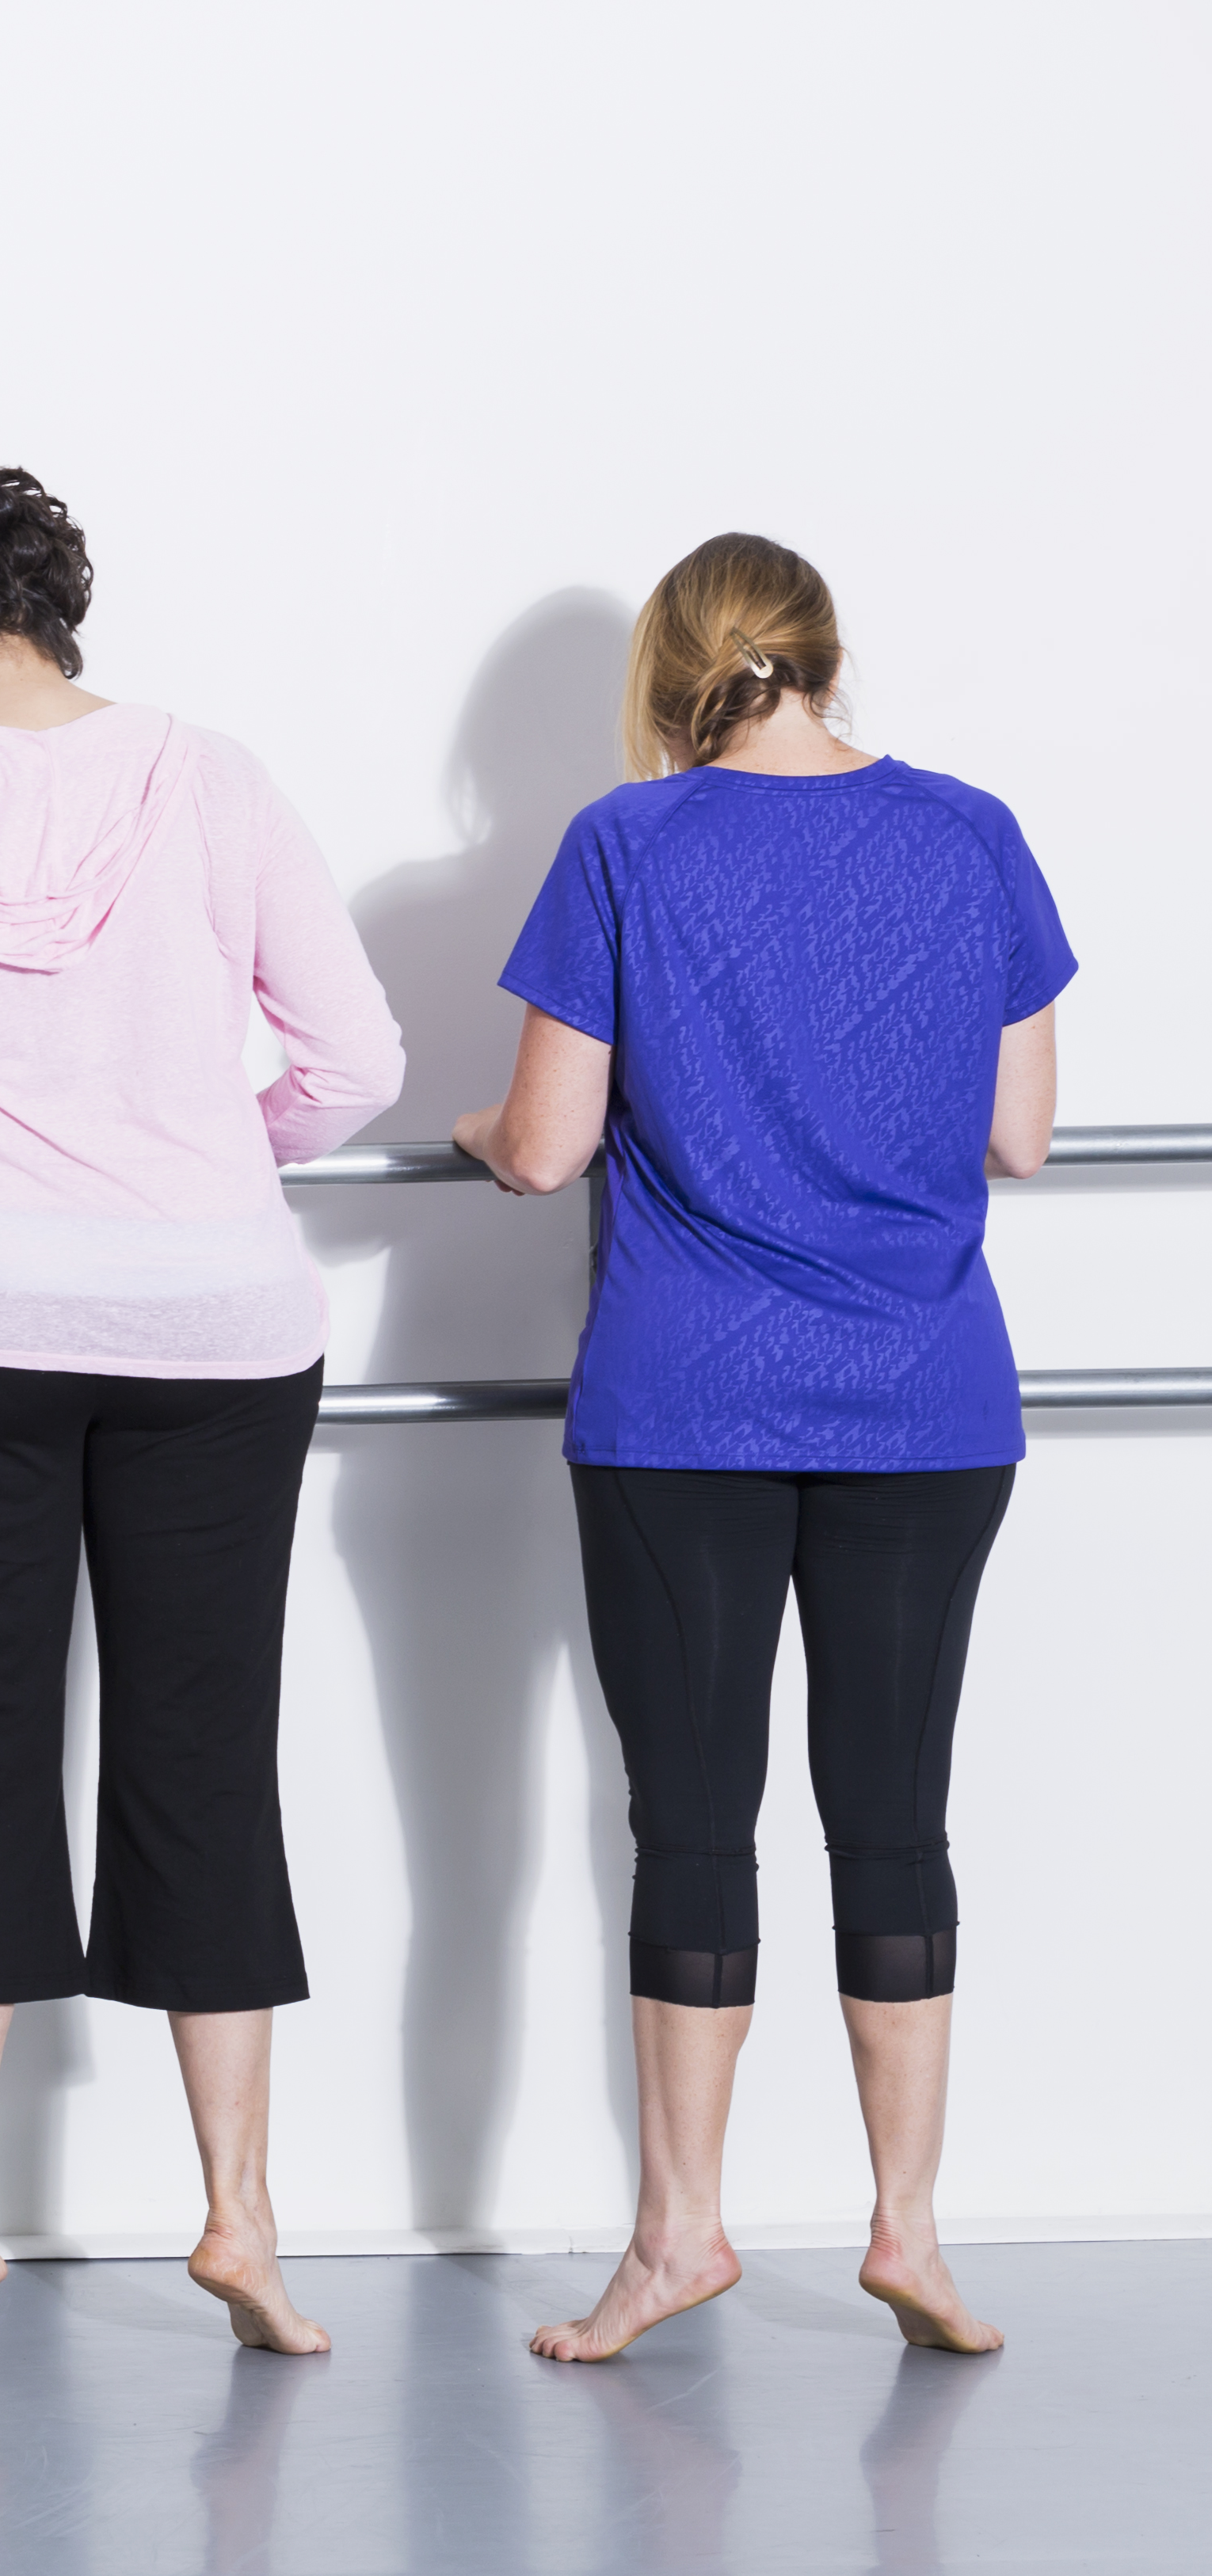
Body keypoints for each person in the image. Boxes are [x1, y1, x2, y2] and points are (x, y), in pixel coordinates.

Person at [0, 453, 402, 2365]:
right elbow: (358, 1060)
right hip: (218, 1327)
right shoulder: (213, 780)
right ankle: (243, 2227)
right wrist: (220, 1150)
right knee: (207, 1755)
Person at [453, 533, 1065, 2364]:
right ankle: (912, 2234)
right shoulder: (970, 833)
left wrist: (484, 1126)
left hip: (686, 1401)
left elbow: (549, 1148)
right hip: (925, 1400)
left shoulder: (626, 847)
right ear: (822, 658)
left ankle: (678, 2242)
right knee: (895, 1819)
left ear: (674, 673)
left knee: (695, 1826)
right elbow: (1020, 1139)